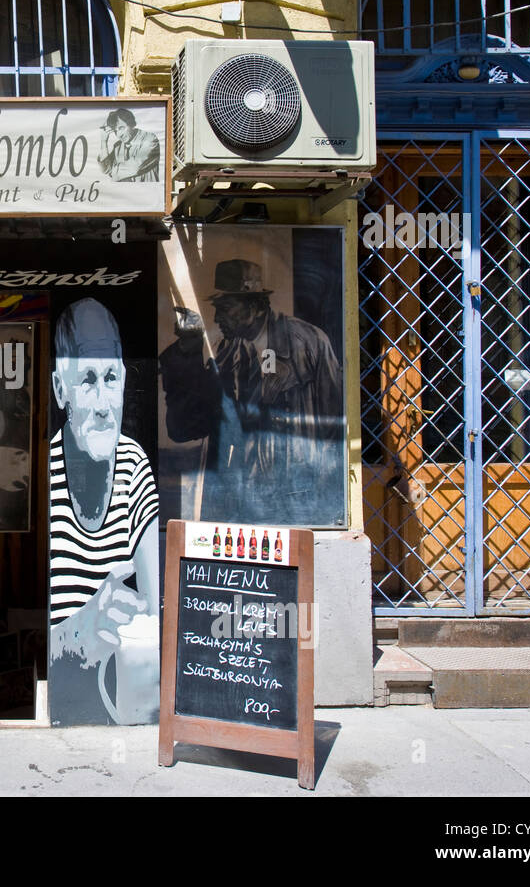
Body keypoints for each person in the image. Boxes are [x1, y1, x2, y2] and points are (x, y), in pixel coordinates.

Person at [160, 259, 344, 525]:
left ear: (255, 306)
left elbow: (334, 425)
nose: (215, 318)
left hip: (295, 500)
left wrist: (320, 490)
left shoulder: (308, 343)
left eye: (225, 308)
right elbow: (184, 428)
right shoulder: (224, 354)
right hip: (239, 505)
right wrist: (186, 354)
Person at [49, 298, 159, 725]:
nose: (102, 404)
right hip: (63, 701)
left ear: (125, 380)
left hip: (125, 697)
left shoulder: (133, 465)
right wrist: (84, 629)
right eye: (86, 380)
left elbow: (154, 616)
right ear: (61, 391)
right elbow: (33, 639)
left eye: (110, 378)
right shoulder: (45, 471)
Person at [98, 107, 161, 182]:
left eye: (121, 128)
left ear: (131, 124)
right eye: (115, 131)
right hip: (125, 192)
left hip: (146, 191)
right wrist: (103, 141)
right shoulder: (118, 146)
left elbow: (135, 167)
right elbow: (105, 169)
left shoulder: (150, 139)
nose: (119, 135)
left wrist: (112, 170)